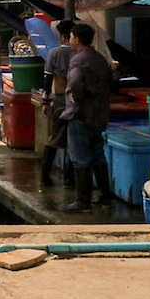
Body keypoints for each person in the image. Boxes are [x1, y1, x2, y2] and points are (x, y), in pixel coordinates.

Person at [61, 22, 114, 211]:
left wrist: (73, 98)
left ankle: (83, 201)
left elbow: (75, 83)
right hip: (99, 115)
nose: (70, 39)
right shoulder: (99, 58)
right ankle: (105, 197)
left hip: (82, 114)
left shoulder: (78, 61)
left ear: (76, 39)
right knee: (98, 155)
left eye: (71, 36)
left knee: (80, 157)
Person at [39, 19, 76, 187]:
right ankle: (69, 179)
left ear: (62, 37)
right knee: (73, 140)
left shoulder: (54, 53)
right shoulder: (78, 54)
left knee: (55, 137)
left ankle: (44, 175)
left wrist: (45, 101)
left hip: (60, 99)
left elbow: (47, 79)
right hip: (76, 100)